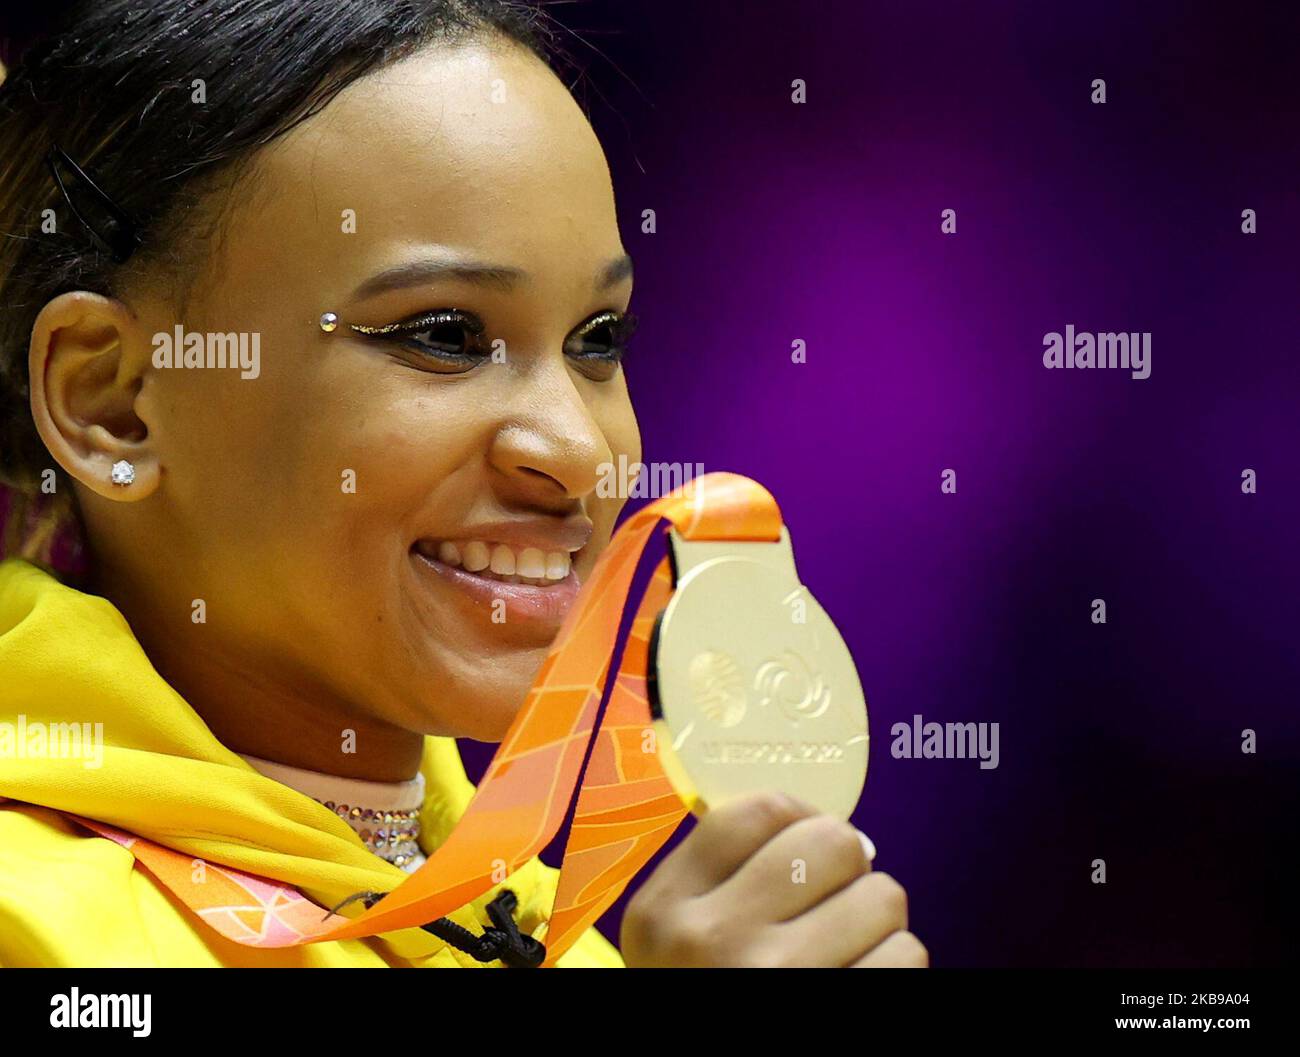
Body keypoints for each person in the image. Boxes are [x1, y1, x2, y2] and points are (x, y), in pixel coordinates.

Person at [0, 0, 926, 968]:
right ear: (114, 399)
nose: (576, 450)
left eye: (597, 341)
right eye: (443, 335)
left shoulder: (539, 928)